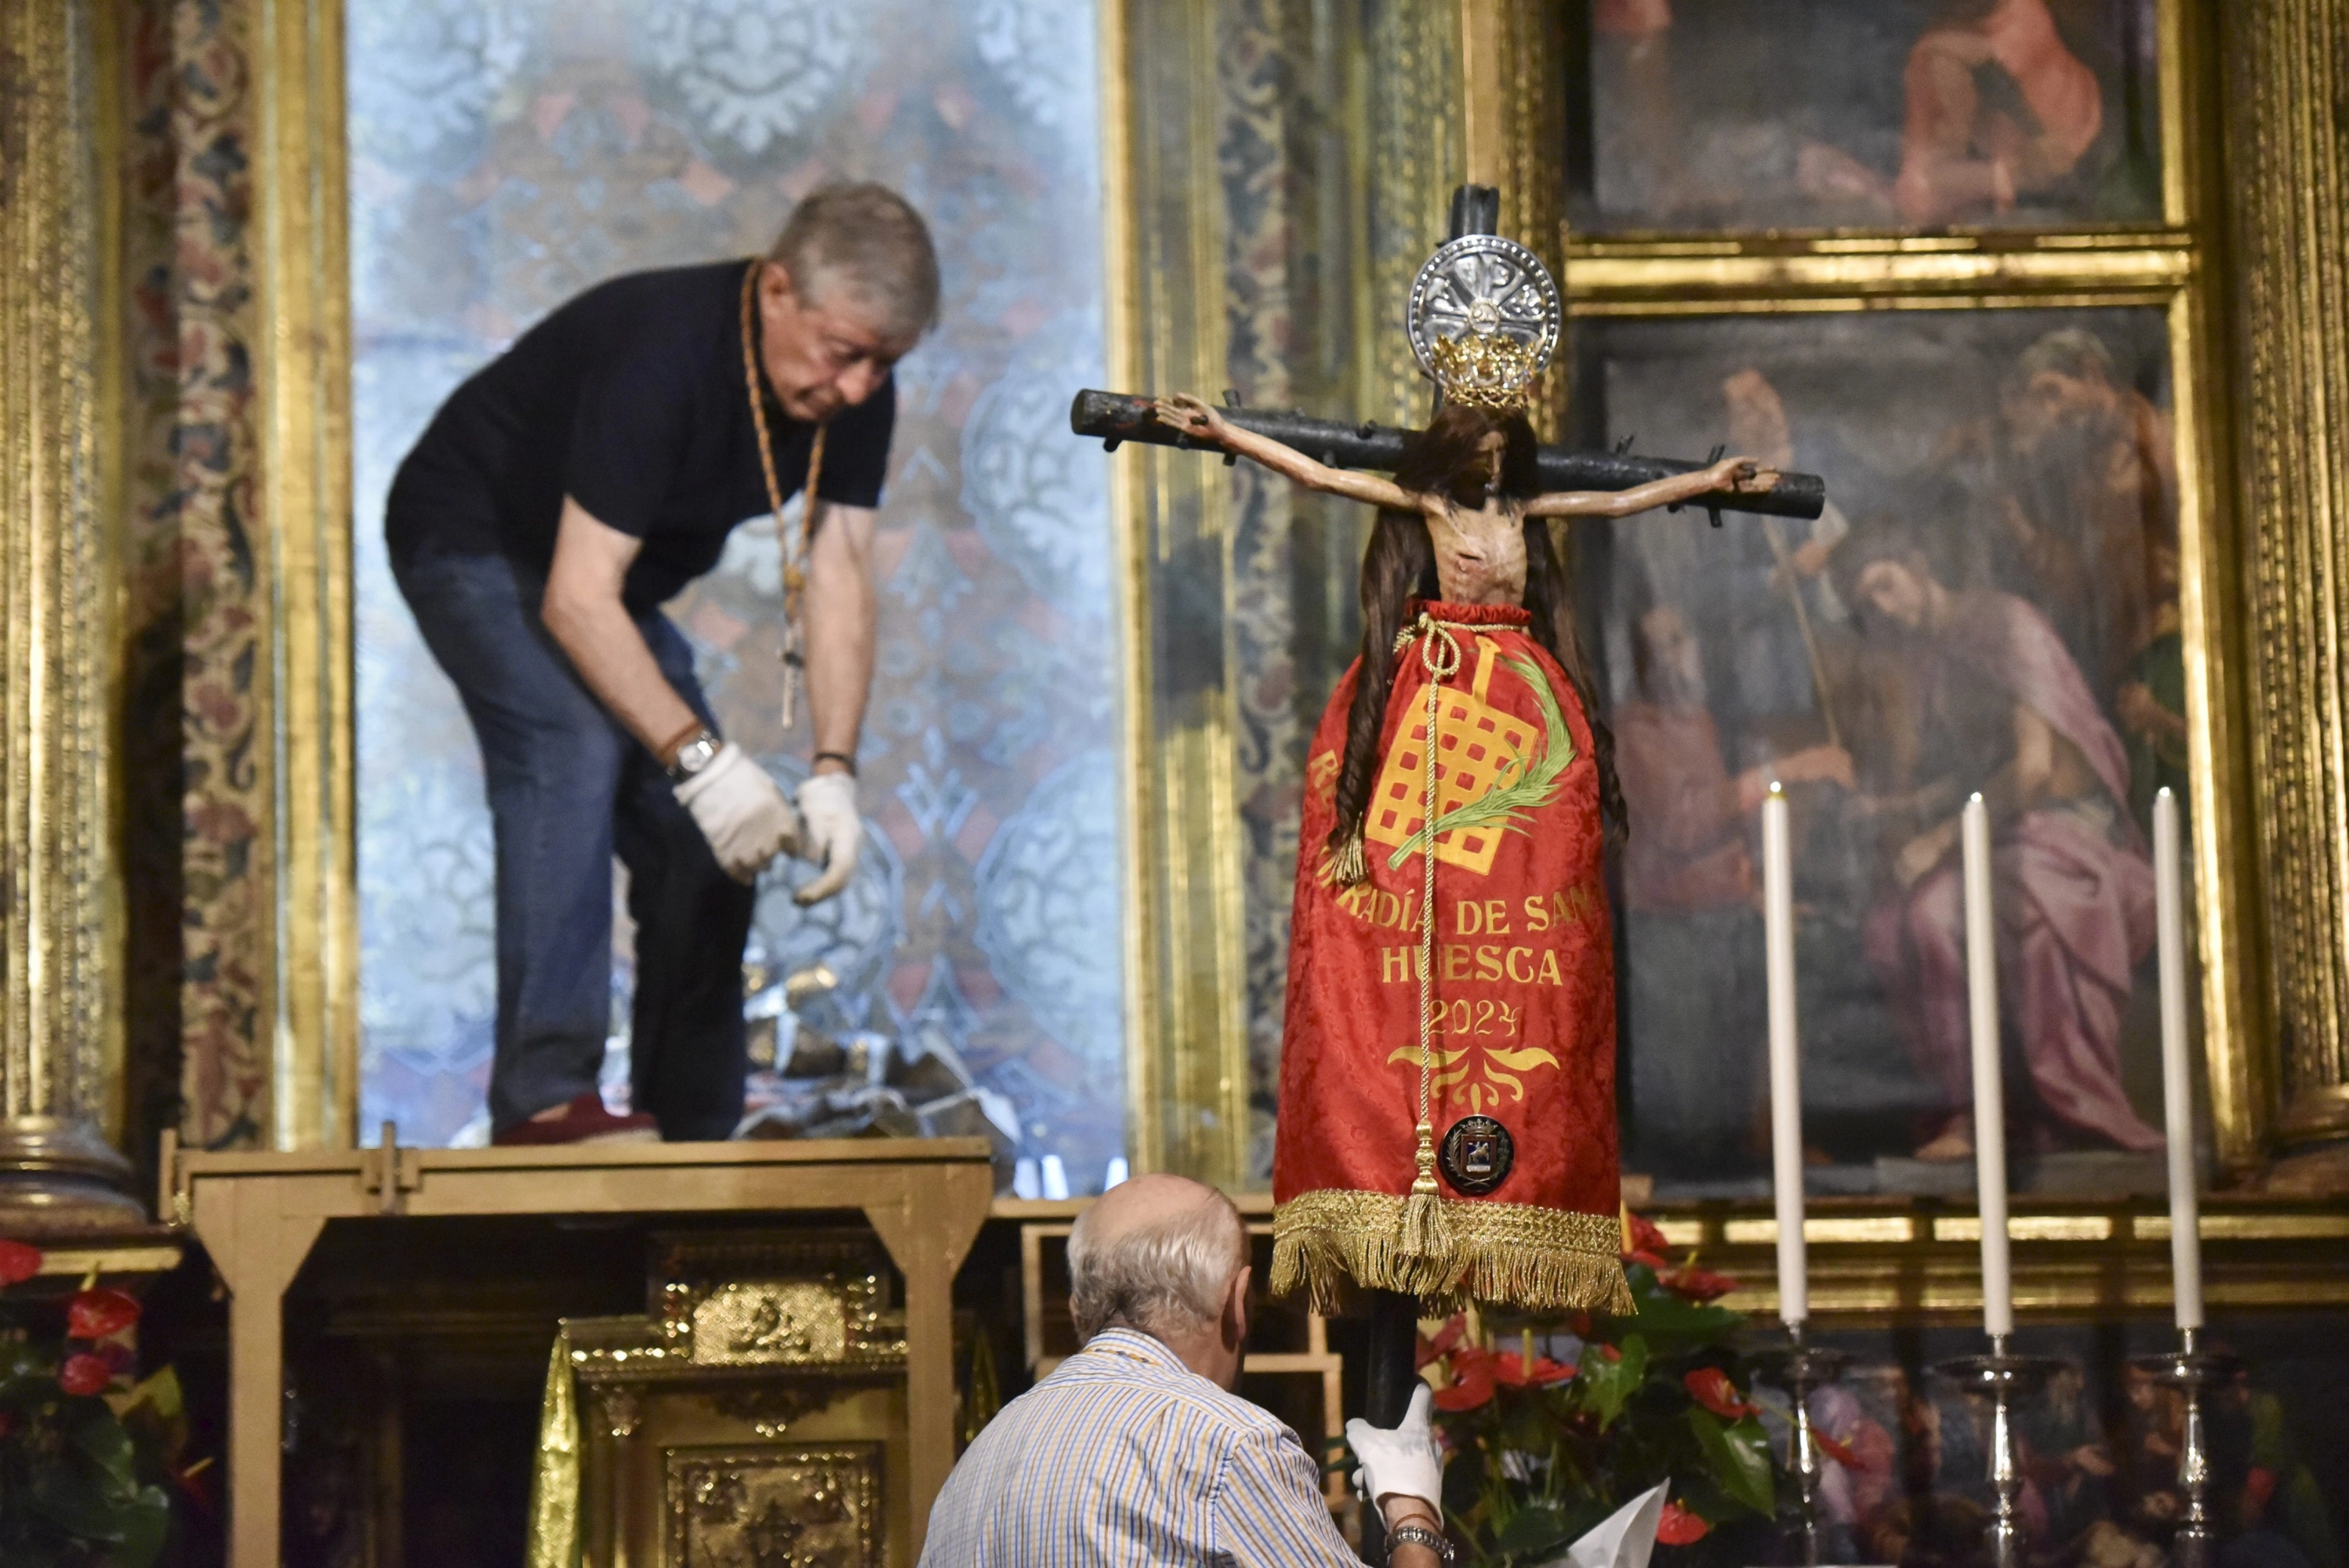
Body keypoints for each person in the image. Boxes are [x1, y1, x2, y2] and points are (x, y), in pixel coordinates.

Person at [1155, 388, 1777, 1312]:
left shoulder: (1520, 511)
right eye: (1476, 447)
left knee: (1529, 877)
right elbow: (1321, 474)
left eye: (1497, 448)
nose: (1487, 463)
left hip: (1519, 699)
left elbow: (1616, 501)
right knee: (1411, 888)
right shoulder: (1430, 505)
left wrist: (1708, 479)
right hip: (1437, 699)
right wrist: (1226, 433)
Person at [386, 183, 937, 1145]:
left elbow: (841, 565)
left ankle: (687, 1127)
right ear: (777, 289)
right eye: (842, 353)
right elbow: (574, 599)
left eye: (883, 363)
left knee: (705, 840)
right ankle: (544, 1099)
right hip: (472, 537)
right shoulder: (663, 353)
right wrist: (701, 761)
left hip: (605, 581)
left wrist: (833, 771)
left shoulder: (855, 391)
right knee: (573, 744)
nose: (857, 387)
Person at [1834, 518, 2162, 1160]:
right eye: (1866, 603)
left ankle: (1990, 1111)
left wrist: (1937, 841)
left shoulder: (2006, 625)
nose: (1881, 608)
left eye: (1885, 585)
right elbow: (1975, 773)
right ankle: (1973, 1105)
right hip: (2002, 829)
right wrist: (1898, 808)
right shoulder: (1936, 656)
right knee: (1886, 928)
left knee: (1934, 913)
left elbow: (2034, 770)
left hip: (2063, 825)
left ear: (1919, 565)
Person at [919, 1174, 1450, 1566]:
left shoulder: (977, 1465)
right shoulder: (1230, 1444)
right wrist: (1414, 1517)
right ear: (1239, 1303)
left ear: (1078, 1311)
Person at [1615, 600, 1850, 1176]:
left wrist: (1758, 894)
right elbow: (1681, 824)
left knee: (1812, 954)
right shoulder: (1637, 731)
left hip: (1725, 913)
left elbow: (1725, 836)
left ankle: (1772, 1132)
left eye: (1683, 639)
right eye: (1664, 645)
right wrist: (1785, 772)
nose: (1680, 654)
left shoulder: (1699, 720)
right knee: (1693, 1107)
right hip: (1671, 927)